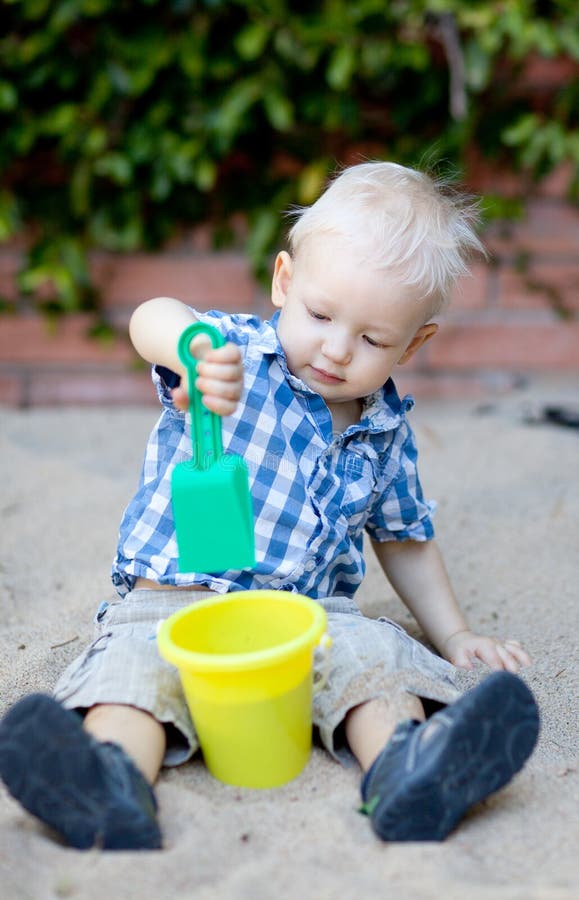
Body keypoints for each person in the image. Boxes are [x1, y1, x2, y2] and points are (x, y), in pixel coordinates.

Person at [0, 162, 539, 851]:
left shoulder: (383, 431)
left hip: (301, 622)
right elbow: (152, 319)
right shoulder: (235, 357)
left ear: (415, 343)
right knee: (129, 678)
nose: (336, 350)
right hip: (171, 603)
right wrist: (192, 352)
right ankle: (107, 785)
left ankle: (407, 770)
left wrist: (456, 635)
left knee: (374, 657)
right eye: (319, 315)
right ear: (284, 282)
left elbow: (404, 537)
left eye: (373, 339)